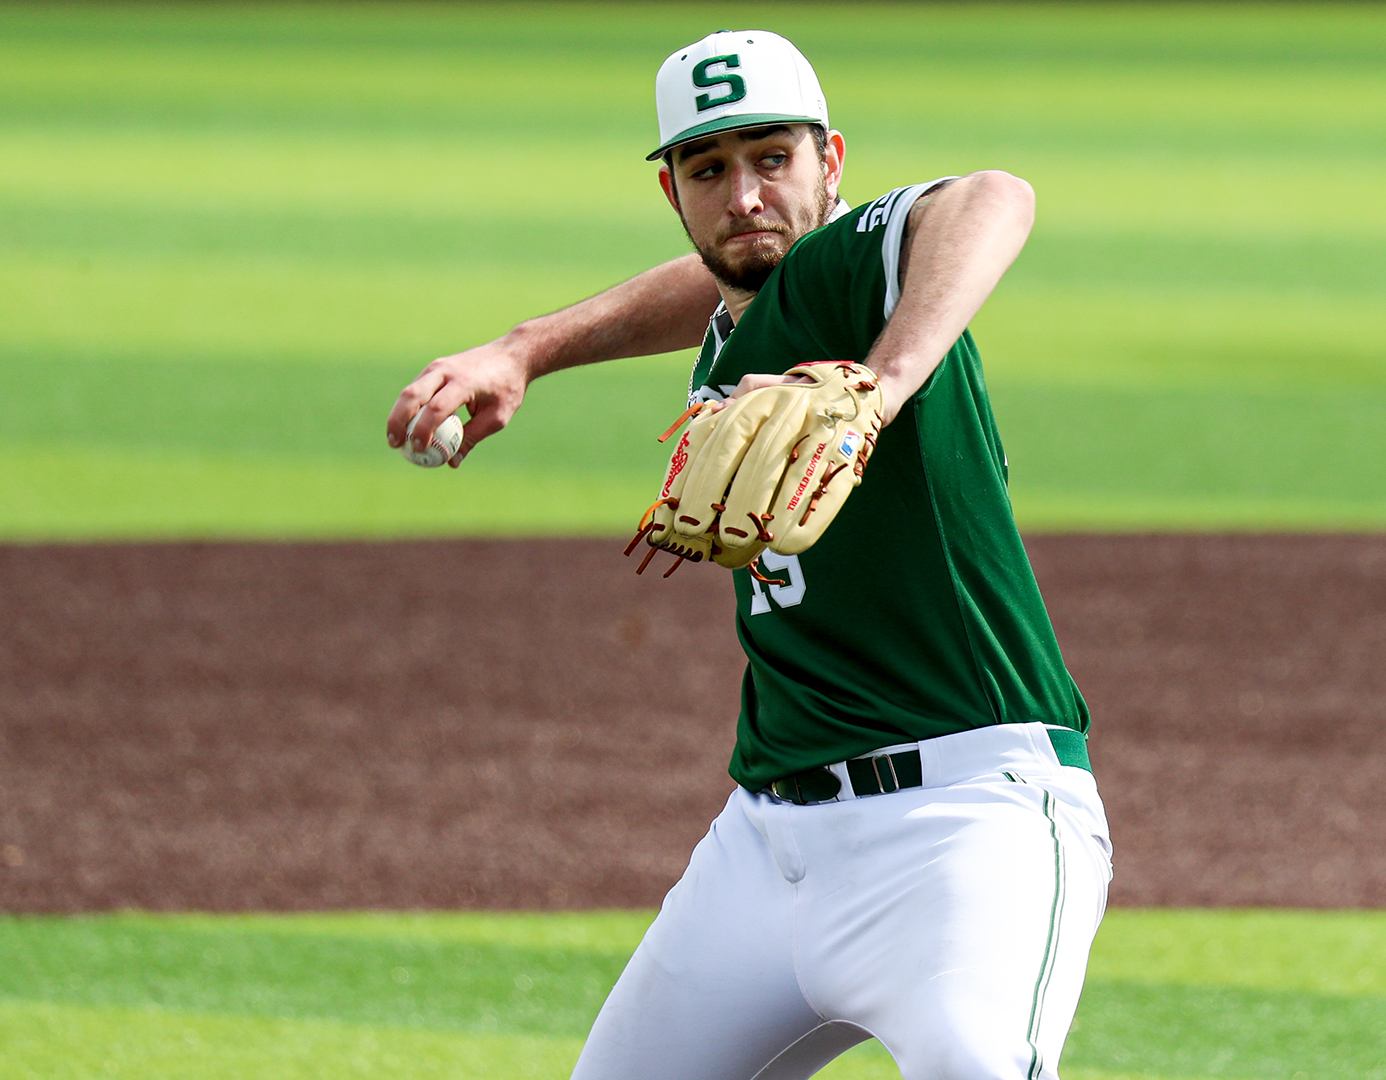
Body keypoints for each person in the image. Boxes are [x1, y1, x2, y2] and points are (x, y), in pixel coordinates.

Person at [386, 30, 1111, 1080]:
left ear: (833, 163)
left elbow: (993, 196)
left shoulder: (860, 283)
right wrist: (525, 350)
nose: (746, 196)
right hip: (766, 851)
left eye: (775, 158)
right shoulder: (742, 322)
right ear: (672, 192)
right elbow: (707, 289)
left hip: (969, 828)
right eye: (709, 170)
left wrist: (883, 385)